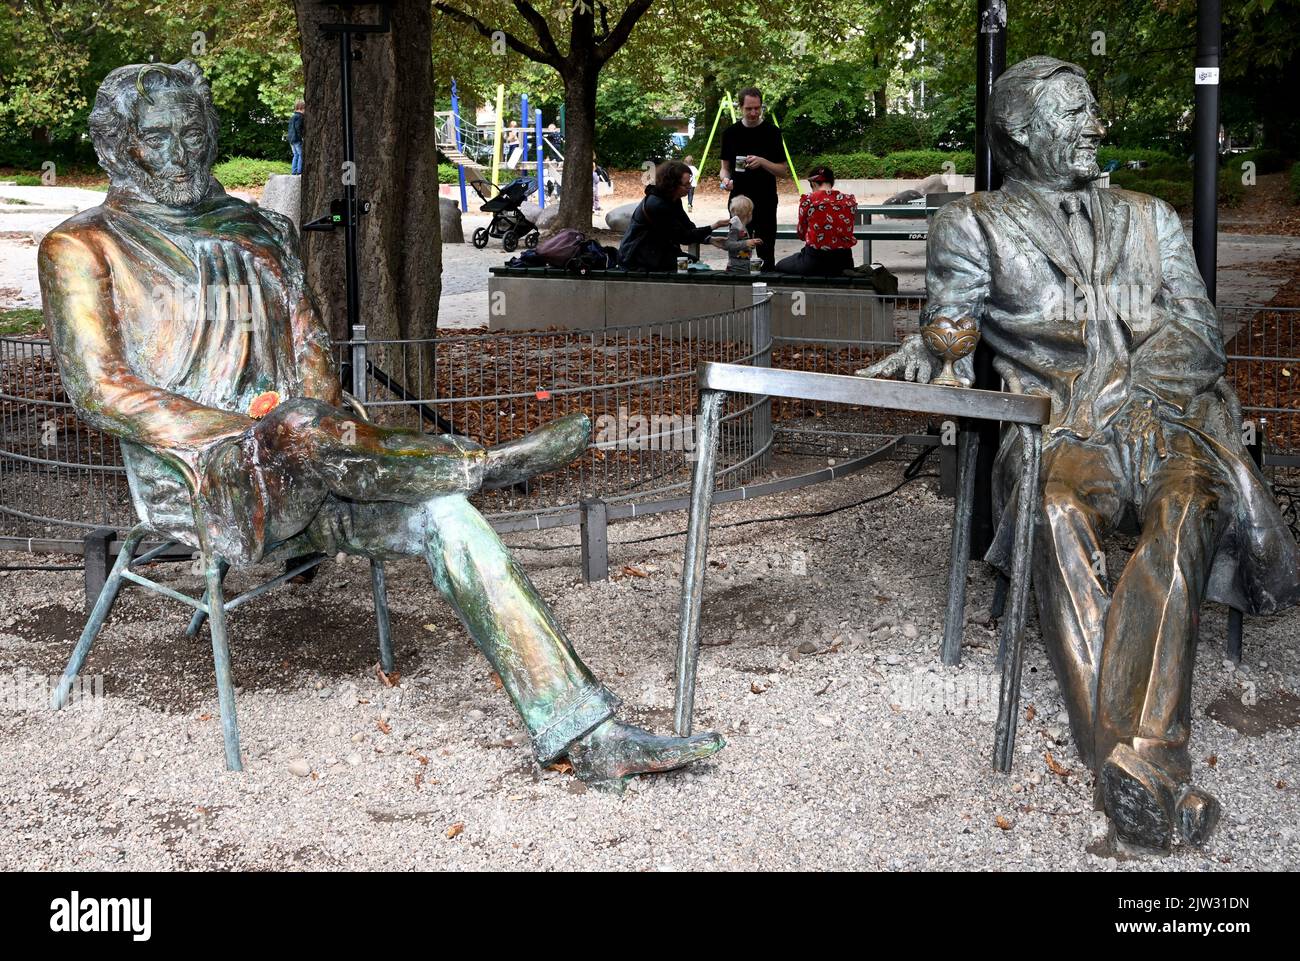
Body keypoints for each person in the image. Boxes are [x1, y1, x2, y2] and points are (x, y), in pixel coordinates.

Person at [39, 60, 725, 790]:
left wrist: (301, 416)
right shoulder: (81, 247)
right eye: (156, 136)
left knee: (446, 515)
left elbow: (311, 358)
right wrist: (249, 430)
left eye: (192, 131)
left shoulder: (261, 230)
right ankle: (476, 461)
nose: (181, 151)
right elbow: (103, 390)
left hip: (320, 464)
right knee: (313, 429)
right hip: (206, 481)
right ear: (119, 145)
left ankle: (589, 733)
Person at [861, 56, 1300, 850]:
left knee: (1188, 510)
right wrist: (936, 346)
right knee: (1053, 511)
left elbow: (1199, 332)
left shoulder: (1150, 216)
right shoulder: (974, 223)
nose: (1095, 123)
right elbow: (950, 324)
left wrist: (1135, 391)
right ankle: (1146, 764)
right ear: (1021, 132)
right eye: (1073, 113)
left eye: (1093, 108)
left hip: (1172, 419)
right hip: (1060, 429)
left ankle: (1131, 766)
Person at [618, 159, 728, 271]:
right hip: (637, 259)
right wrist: (715, 226)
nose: (690, 187)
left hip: (657, 253)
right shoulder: (657, 205)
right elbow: (683, 237)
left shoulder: (673, 199)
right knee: (693, 267)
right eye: (686, 184)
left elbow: (688, 227)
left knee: (693, 264)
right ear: (672, 185)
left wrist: (709, 239)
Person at [719, 87, 783, 267]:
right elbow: (724, 169)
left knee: (766, 253)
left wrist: (763, 162)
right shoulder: (730, 133)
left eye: (757, 108)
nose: (754, 112)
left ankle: (766, 286)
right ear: (740, 107)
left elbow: (782, 171)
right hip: (738, 203)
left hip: (766, 200)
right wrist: (725, 180)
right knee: (738, 255)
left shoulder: (773, 133)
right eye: (749, 109)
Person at [775, 165, 857, 276]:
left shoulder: (809, 200)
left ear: (813, 184)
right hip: (844, 261)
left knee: (781, 265)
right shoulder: (849, 200)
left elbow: (801, 234)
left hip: (815, 261)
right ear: (831, 182)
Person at [711, 195, 762, 274]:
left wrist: (752, 243)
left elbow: (743, 246)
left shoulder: (743, 228)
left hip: (745, 266)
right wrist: (746, 243)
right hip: (736, 268)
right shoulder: (735, 228)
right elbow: (729, 244)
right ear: (749, 214)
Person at [287, 100, 305, 175]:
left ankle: (294, 171)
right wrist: (302, 136)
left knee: (295, 155)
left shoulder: (292, 117)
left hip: (291, 139)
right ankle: (299, 171)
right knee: (301, 154)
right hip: (297, 139)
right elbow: (298, 127)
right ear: (301, 108)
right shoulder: (300, 117)